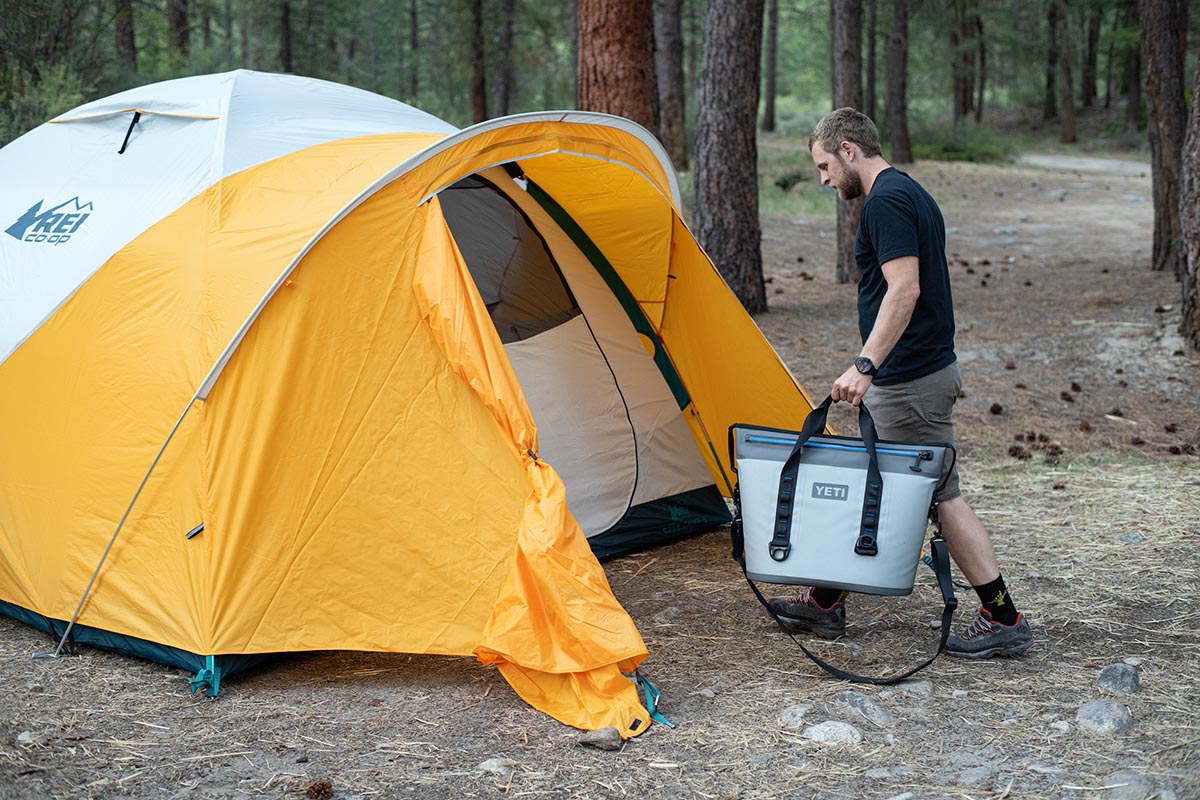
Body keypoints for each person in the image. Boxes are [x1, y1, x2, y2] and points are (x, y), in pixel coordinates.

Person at [768, 108, 1033, 658]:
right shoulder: (908, 191)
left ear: (847, 150)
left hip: (911, 380)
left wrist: (865, 365)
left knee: (939, 494)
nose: (822, 180)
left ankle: (1002, 615)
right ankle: (824, 601)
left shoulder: (885, 201)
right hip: (919, 374)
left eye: (823, 166)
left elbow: (904, 290)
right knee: (893, 489)